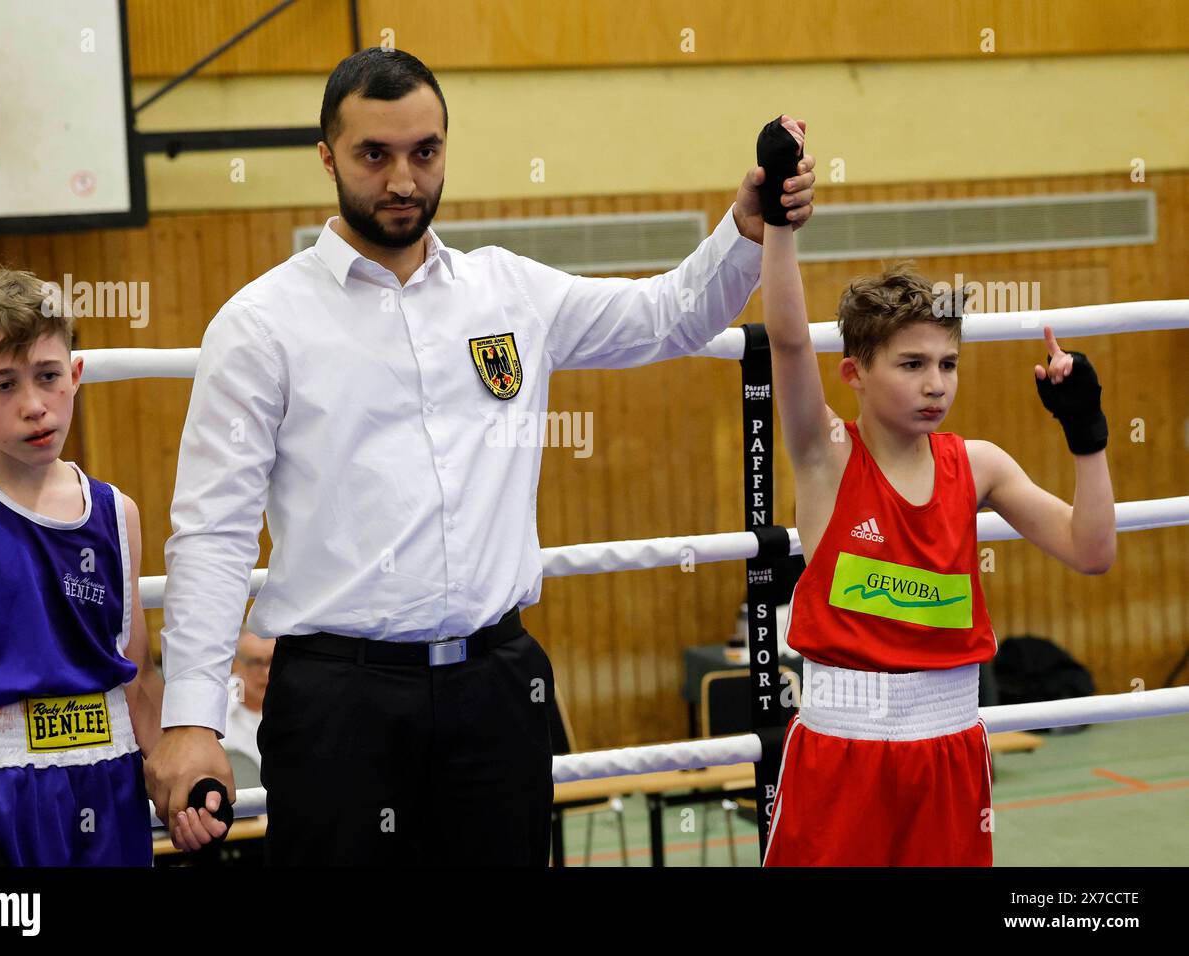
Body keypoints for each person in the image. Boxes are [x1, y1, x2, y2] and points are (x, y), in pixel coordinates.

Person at [145, 48, 817, 866]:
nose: (403, 179)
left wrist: (742, 232)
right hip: (338, 703)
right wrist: (189, 720)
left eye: (424, 153)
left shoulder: (508, 293)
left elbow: (667, 317)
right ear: (327, 157)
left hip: (497, 686)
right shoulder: (260, 324)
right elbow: (212, 532)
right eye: (374, 155)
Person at [753, 117, 1116, 865]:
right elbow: (789, 341)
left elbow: (1093, 550)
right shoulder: (826, 456)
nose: (935, 384)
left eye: (948, 364)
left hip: (949, 747)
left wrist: (1088, 435)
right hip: (842, 747)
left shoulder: (978, 465)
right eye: (912, 364)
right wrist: (782, 223)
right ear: (855, 372)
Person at [0, 267, 164, 866]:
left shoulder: (118, 513)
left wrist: (174, 779)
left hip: (111, 782)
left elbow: (138, 675)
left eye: (47, 377)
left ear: (74, 377)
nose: (34, 406)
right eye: (3, 386)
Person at [220, 627, 274, 784]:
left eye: (273, 660)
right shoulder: (214, 706)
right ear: (235, 664)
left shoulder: (299, 702)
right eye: (256, 662)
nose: (267, 672)